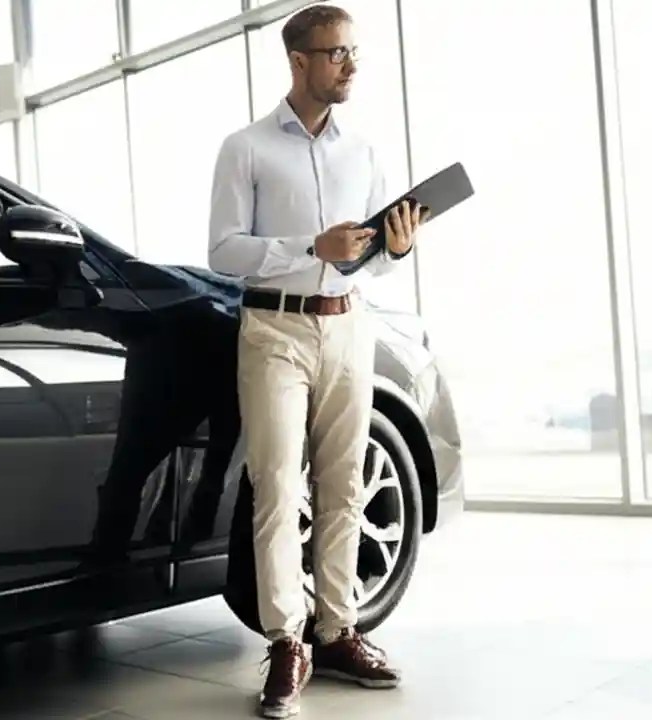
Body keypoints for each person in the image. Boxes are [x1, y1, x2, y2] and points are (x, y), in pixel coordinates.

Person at [207, 4, 426, 717]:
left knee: (344, 485)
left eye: (354, 52)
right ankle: (286, 642)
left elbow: (372, 262)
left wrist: (394, 248)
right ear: (298, 61)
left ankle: (337, 632)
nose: (350, 65)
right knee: (276, 486)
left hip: (348, 326)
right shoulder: (245, 148)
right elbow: (223, 251)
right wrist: (311, 246)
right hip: (274, 330)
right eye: (337, 53)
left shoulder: (362, 152)